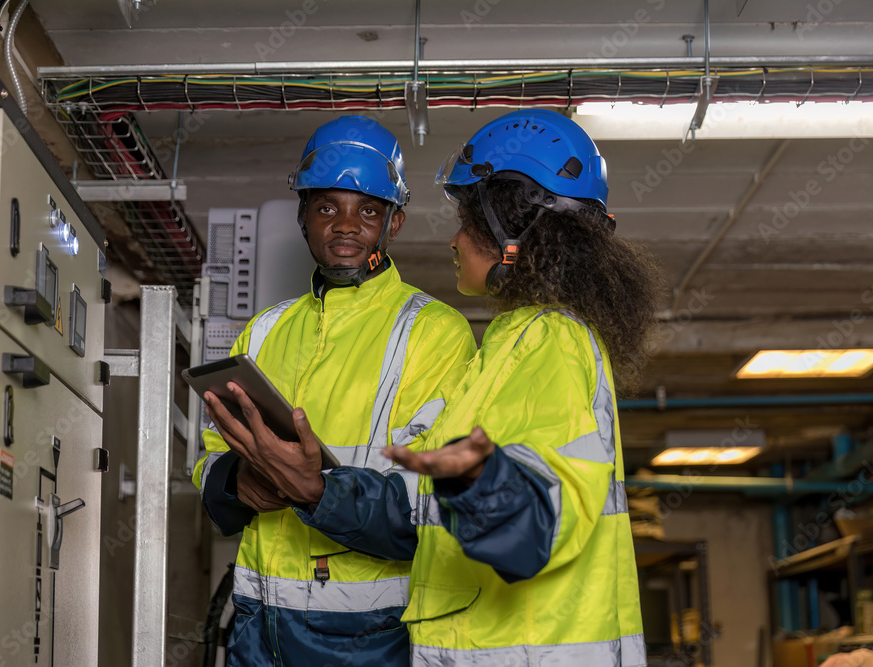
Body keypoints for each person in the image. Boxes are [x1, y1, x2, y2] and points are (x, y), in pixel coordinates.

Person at [217, 108, 666, 665]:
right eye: (327, 205)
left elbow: (535, 519)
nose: (454, 239)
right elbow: (419, 500)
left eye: (466, 221)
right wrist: (315, 489)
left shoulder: (549, 341)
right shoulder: (514, 345)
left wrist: (478, 483)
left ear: (506, 232)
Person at [193, 115, 477, 667]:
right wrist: (237, 481)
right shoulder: (265, 330)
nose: (346, 226)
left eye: (368, 210)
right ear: (303, 217)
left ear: (393, 223)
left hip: (366, 637)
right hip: (256, 624)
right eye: (328, 208)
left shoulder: (434, 332)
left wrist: (315, 490)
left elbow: (435, 505)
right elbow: (209, 459)